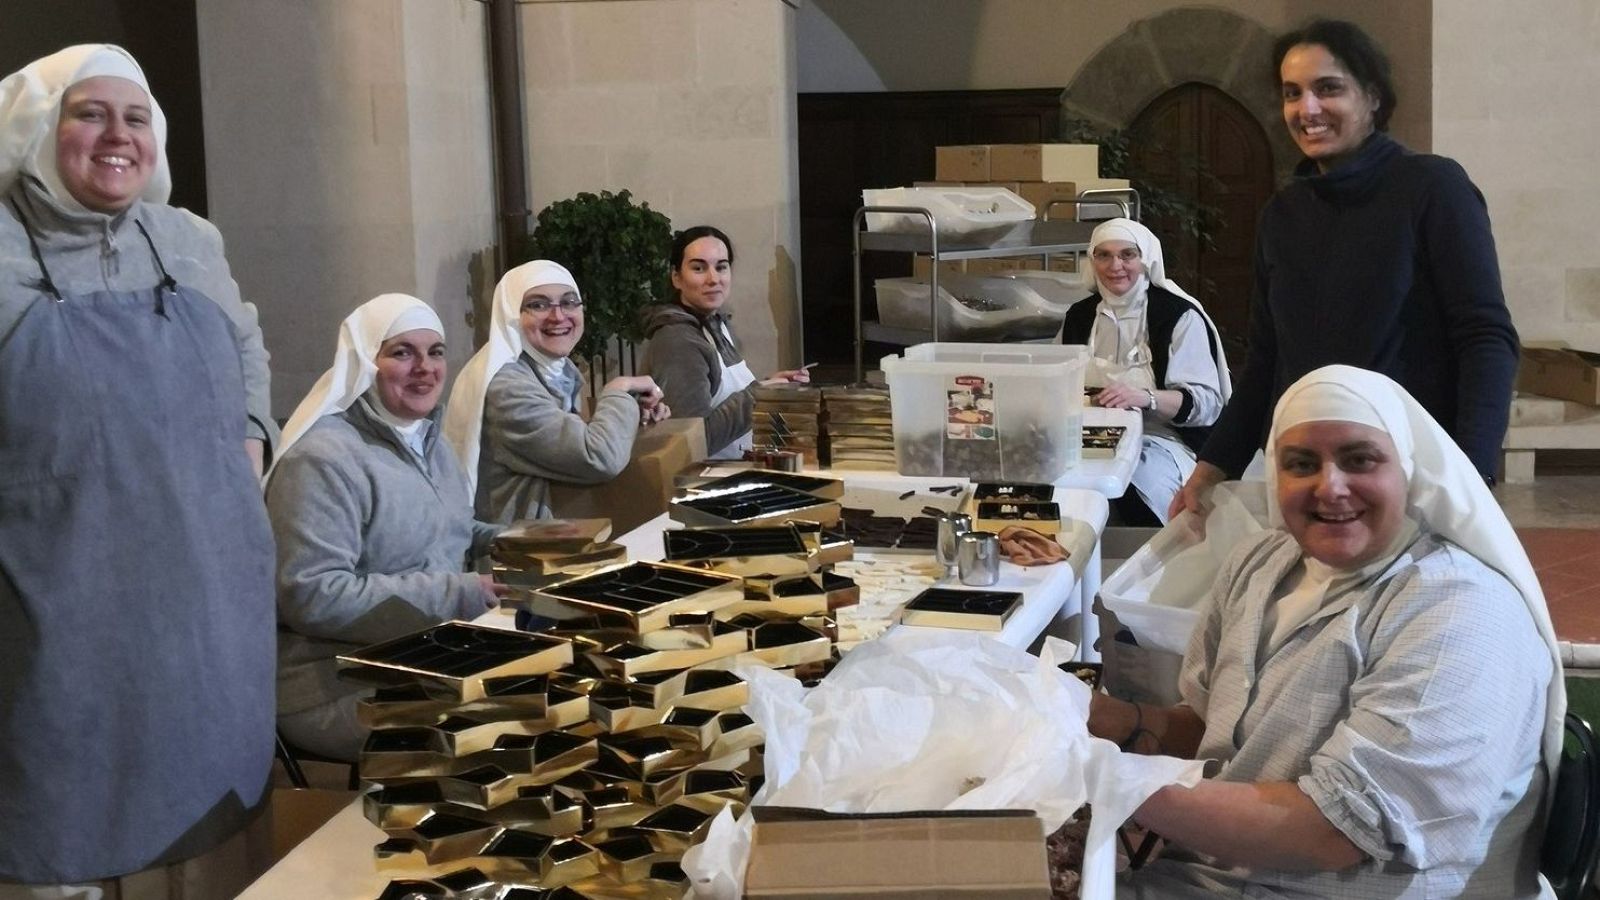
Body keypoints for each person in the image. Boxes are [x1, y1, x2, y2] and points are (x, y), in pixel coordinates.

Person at [1095, 365, 1565, 898]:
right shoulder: (1261, 564)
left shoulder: (1457, 612)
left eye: (1359, 459)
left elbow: (1334, 832)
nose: (1331, 486)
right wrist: (1106, 720)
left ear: (1408, 469)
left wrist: (1103, 781)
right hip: (1217, 876)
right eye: (1301, 464)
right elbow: (1212, 731)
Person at [0, 46, 276, 896]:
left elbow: (246, 345)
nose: (118, 135)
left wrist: (249, 449)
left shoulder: (190, 240)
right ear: (36, 128)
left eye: (136, 118)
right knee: (68, 824)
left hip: (207, 602)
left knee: (209, 832)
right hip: (61, 605)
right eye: (89, 114)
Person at [1171, 19, 1518, 519]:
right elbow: (1268, 359)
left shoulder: (1432, 188)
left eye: (1328, 88)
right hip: (1307, 476)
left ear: (1372, 97)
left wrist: (1472, 474)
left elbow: (1485, 337)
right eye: (1292, 93)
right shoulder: (1282, 214)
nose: (1307, 109)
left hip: (1408, 475)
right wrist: (1210, 469)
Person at [267, 294, 508, 761]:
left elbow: (444, 527)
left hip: (421, 657)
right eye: (402, 352)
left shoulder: (430, 440)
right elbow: (312, 595)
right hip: (336, 683)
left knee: (562, 681)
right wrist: (459, 592)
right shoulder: (322, 459)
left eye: (435, 352)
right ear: (364, 362)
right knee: (504, 727)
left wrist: (514, 541)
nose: (425, 368)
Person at [444, 259, 670, 523]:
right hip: (519, 542)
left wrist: (632, 410)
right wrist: (619, 389)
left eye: (569, 302)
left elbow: (566, 444)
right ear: (512, 314)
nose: (559, 316)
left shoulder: (555, 368)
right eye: (538, 305)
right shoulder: (506, 387)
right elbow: (598, 457)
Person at [1061, 218, 1230, 524]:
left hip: (1163, 438)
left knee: (1133, 489)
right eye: (1104, 255)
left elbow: (1206, 403)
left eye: (1127, 255)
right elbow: (1058, 382)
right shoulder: (1079, 316)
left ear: (1146, 259)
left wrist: (1145, 398)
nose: (1115, 266)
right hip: (1086, 437)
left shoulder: (1178, 316)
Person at [641, 225, 811, 459]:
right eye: (699, 268)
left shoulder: (714, 324)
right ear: (676, 277)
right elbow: (690, 441)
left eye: (721, 267)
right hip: (704, 476)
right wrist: (759, 395)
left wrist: (771, 385)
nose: (713, 279)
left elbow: (724, 398)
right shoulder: (677, 340)